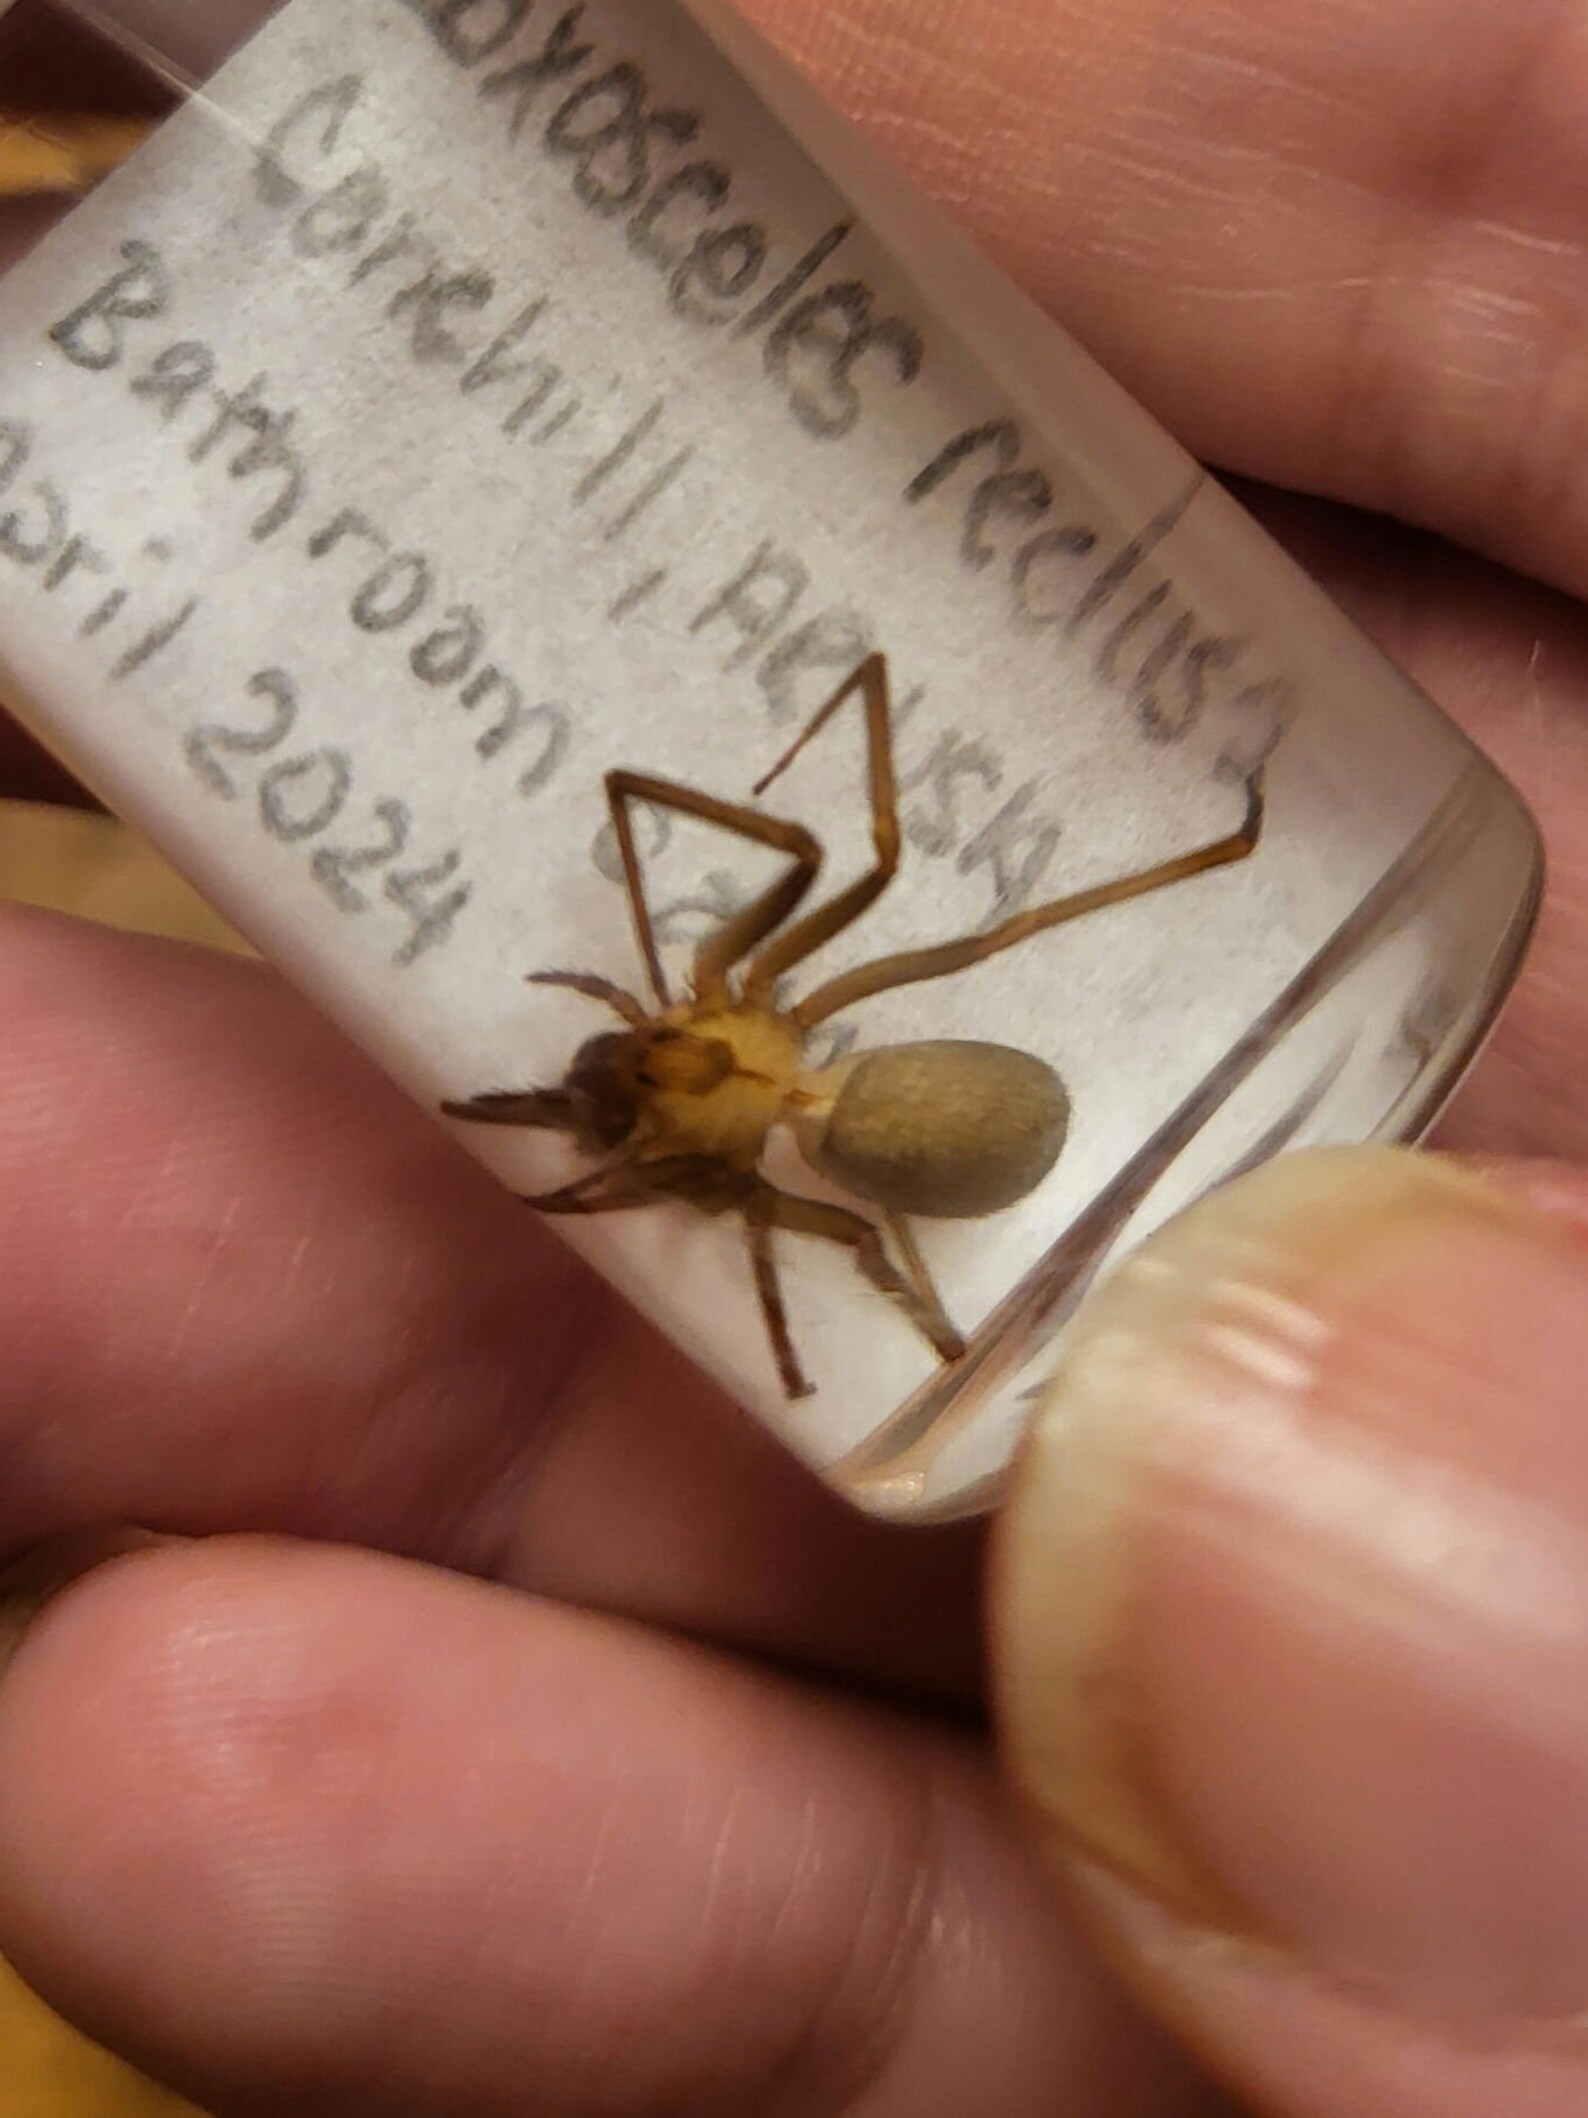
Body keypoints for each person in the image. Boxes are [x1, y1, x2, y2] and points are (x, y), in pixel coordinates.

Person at [2, 0, 1586, 2110]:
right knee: (940, 978)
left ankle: (1199, 890)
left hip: (960, 1112)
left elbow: (808, 944)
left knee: (965, 960)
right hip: (943, 1130)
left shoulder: (729, 1075)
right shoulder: (734, 1108)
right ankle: (1202, 887)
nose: (664, 1039)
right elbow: (790, 1004)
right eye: (666, 1056)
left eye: (657, 1048)